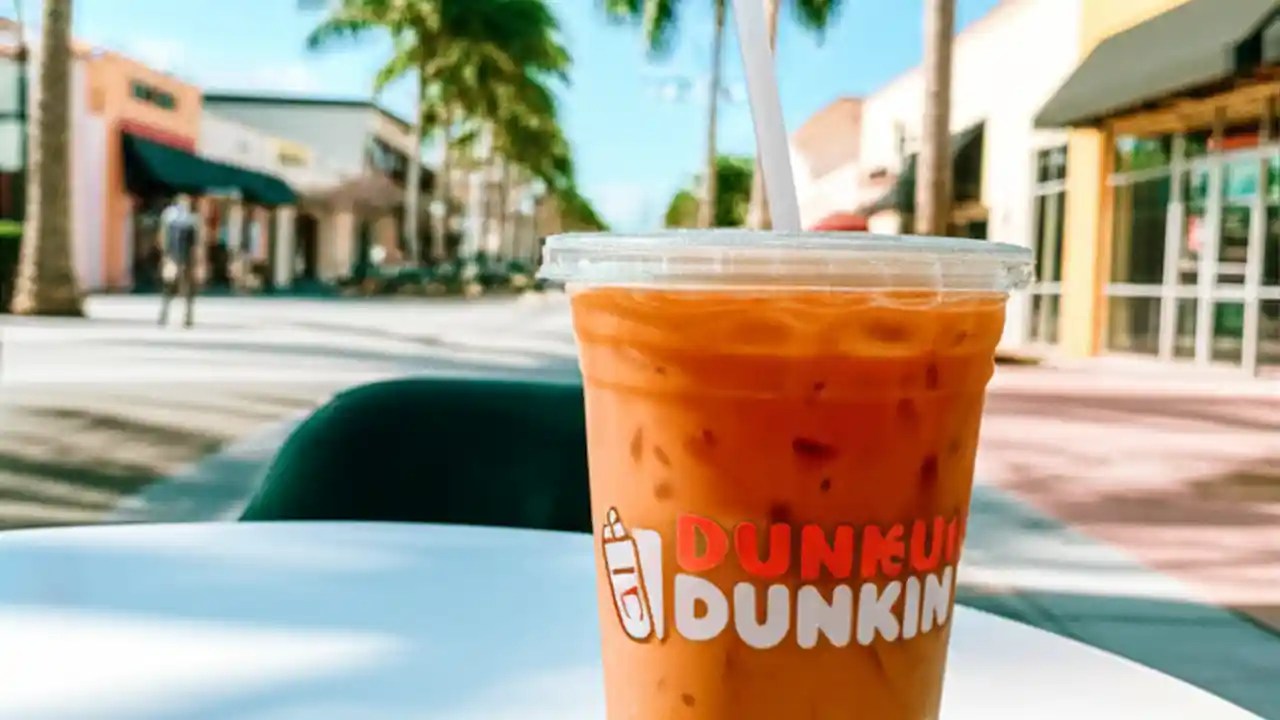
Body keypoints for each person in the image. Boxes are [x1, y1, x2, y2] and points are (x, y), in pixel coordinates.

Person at [158, 195, 199, 328]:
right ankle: (166, 314)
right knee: (171, 285)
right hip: (176, 256)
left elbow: (196, 242)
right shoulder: (172, 217)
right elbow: (165, 237)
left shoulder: (191, 219)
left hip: (183, 256)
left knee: (183, 287)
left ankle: (186, 316)